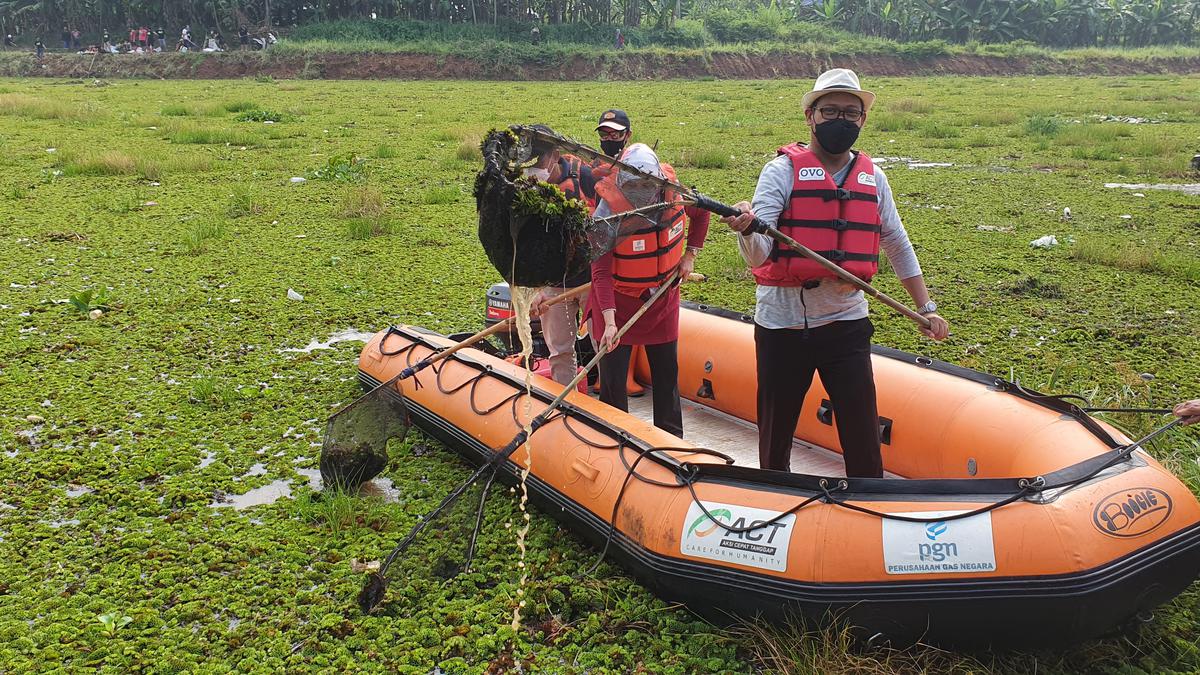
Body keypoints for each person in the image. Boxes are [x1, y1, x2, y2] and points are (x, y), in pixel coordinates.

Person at [722, 68, 949, 478]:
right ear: (810, 116)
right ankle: (775, 491)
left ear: (862, 120)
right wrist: (746, 229)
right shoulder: (781, 173)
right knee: (777, 429)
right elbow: (759, 256)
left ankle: (869, 501)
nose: (840, 121)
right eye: (830, 111)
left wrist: (926, 306)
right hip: (783, 323)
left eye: (850, 113)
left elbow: (896, 242)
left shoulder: (874, 178)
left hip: (846, 321)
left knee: (862, 428)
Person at [587, 133, 709, 439]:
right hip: (617, 303)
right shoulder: (606, 215)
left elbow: (703, 212)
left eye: (648, 186)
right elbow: (600, 273)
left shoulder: (676, 196)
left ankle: (671, 441)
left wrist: (690, 255)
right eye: (635, 187)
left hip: (662, 299)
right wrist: (611, 322)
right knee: (613, 381)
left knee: (667, 373)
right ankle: (615, 439)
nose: (643, 194)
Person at [524, 127, 599, 387]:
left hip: (593, 280)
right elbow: (525, 245)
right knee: (559, 352)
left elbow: (614, 229)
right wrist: (535, 289)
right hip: (554, 285)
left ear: (555, 155)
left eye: (538, 161)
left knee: (605, 346)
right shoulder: (526, 190)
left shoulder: (587, 178)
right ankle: (567, 407)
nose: (533, 168)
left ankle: (613, 409)